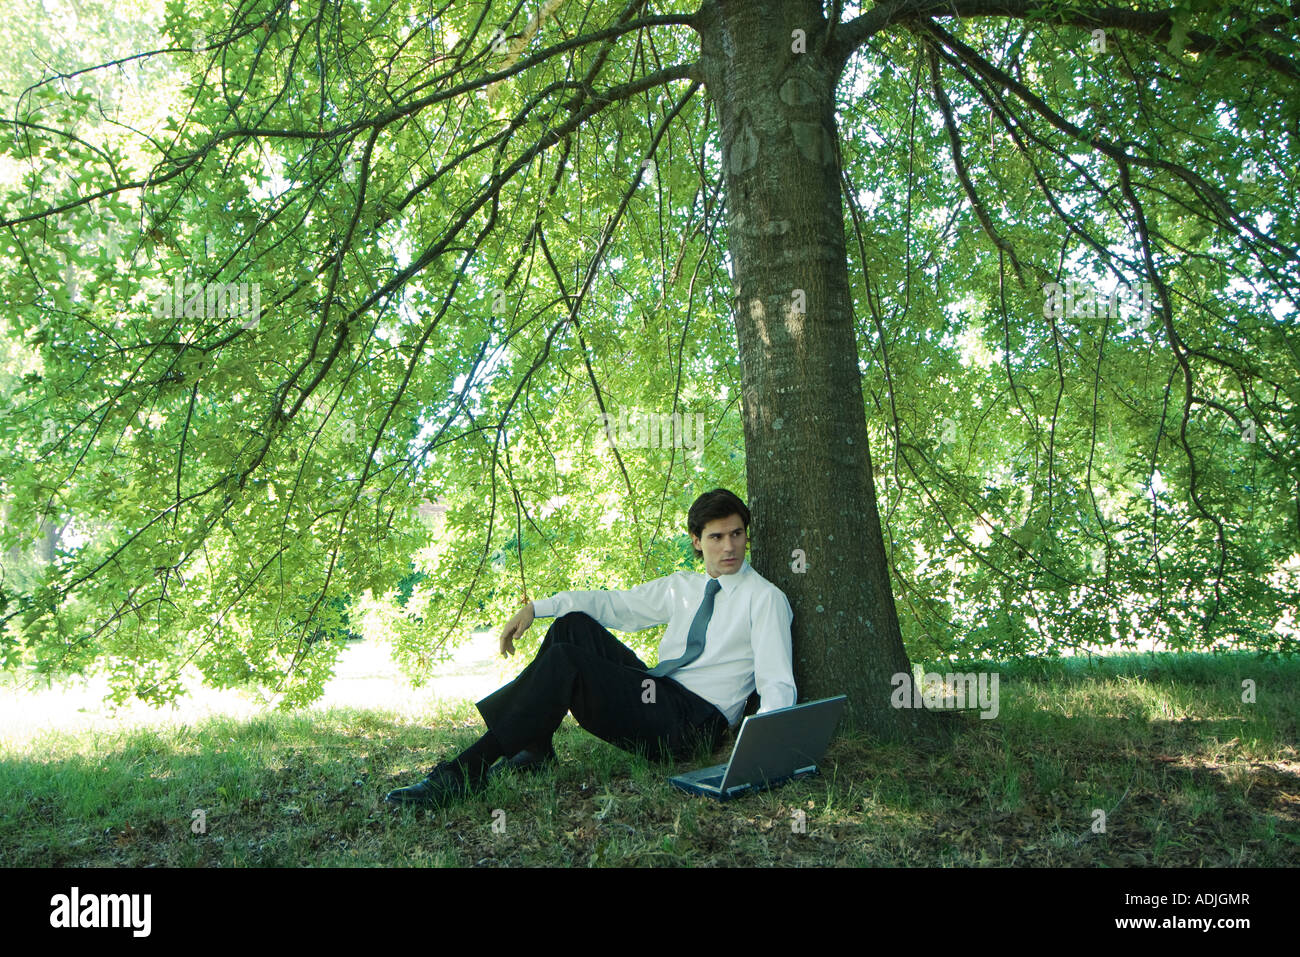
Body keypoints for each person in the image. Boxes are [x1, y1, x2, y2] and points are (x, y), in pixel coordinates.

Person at [384, 487, 797, 807]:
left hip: (693, 724)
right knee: (574, 625)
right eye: (717, 536)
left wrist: (767, 757)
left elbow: (777, 681)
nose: (729, 547)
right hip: (660, 694)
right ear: (696, 540)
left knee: (567, 660)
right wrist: (538, 608)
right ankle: (536, 747)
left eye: (737, 534)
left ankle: (465, 770)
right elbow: (613, 604)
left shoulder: (766, 599)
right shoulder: (682, 587)